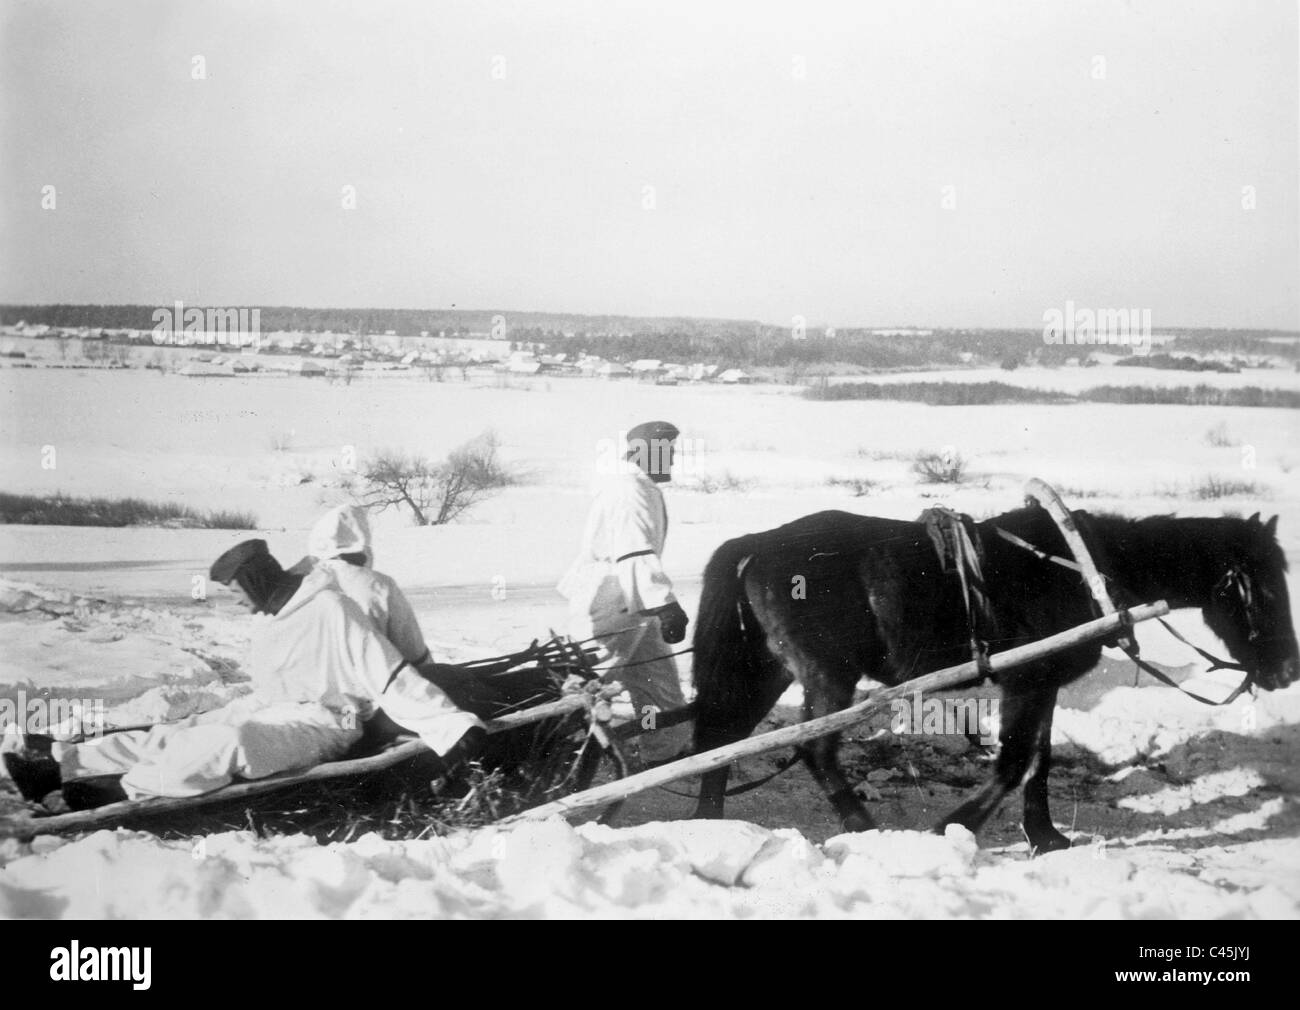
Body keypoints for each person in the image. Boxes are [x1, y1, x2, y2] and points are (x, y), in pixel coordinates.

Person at [3, 540, 485, 809]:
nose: (233, 599)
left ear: (255, 581)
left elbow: (389, 676)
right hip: (273, 708)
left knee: (232, 741)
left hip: (324, 721)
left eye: (234, 588)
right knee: (181, 730)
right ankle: (64, 766)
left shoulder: (332, 610)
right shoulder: (275, 620)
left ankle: (119, 789)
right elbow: (270, 689)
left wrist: (451, 723)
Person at [557, 419, 692, 766]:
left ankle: (663, 753)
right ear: (645, 452)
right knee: (589, 684)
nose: (674, 460)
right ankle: (550, 754)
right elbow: (634, 552)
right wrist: (666, 605)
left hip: (633, 600)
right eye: (668, 452)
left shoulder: (640, 486)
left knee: (657, 685)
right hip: (613, 599)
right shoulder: (628, 489)